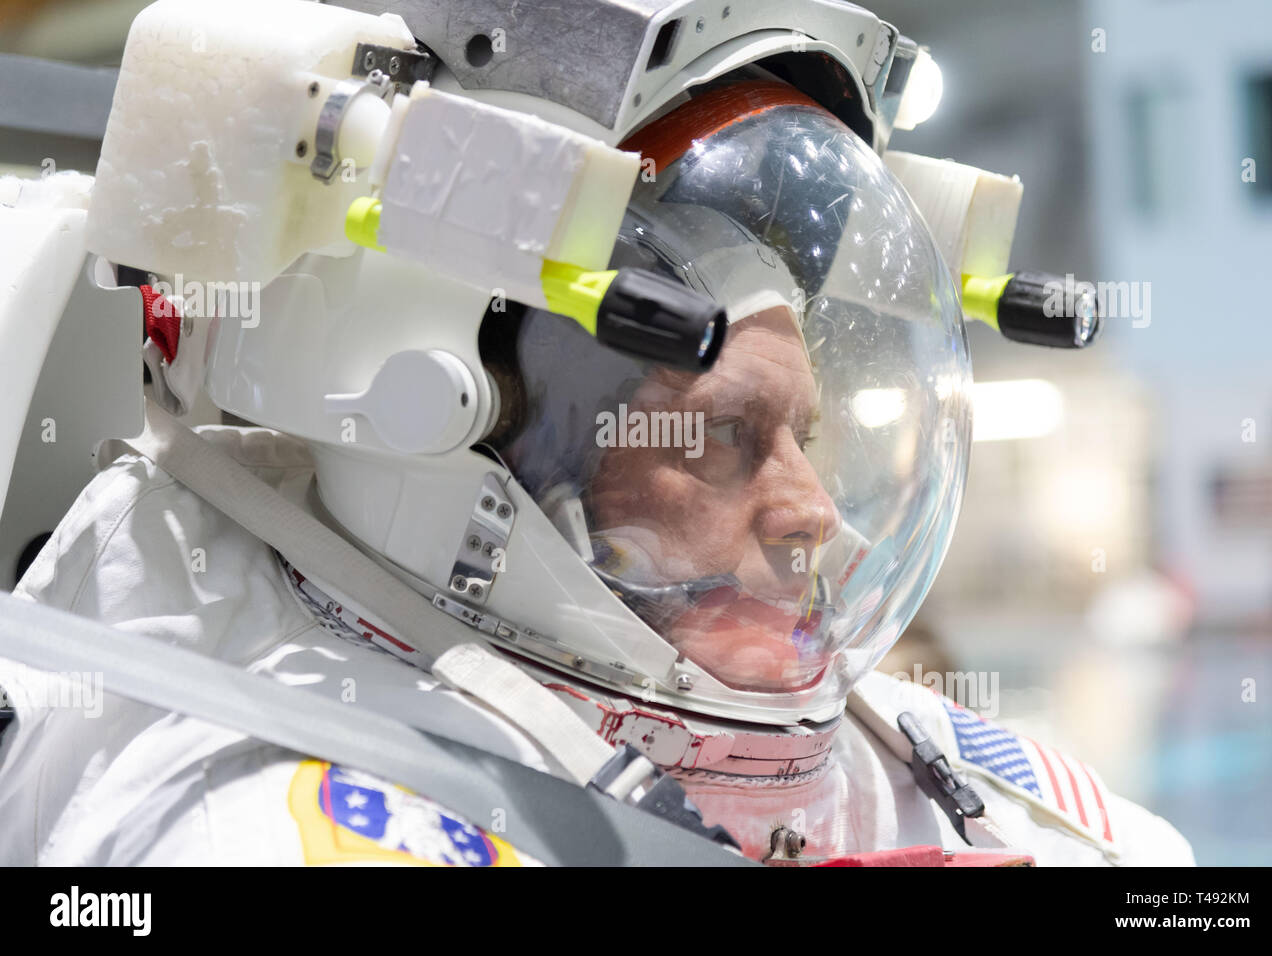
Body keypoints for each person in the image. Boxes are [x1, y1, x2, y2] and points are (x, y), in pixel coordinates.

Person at [0, 10, 1194, 866]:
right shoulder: (261, 816)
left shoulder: (949, 779)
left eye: (804, 434)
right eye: (722, 435)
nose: (811, 508)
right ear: (451, 434)